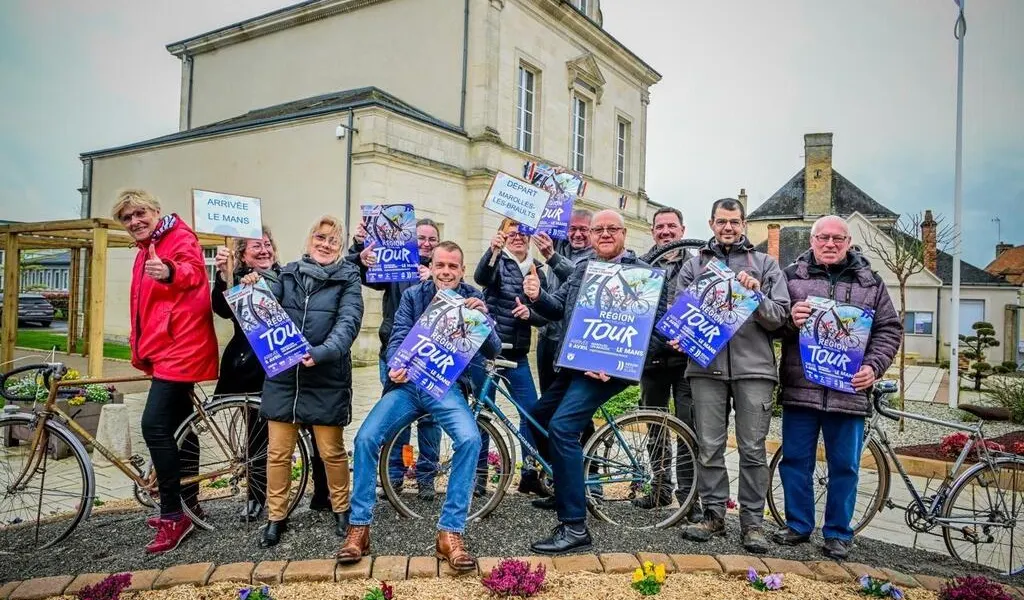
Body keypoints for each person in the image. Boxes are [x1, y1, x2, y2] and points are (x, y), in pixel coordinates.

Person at [336, 241, 501, 571]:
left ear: (461, 270)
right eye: (441, 265)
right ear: (433, 265)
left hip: (446, 389)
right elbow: (397, 335)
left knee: (469, 440)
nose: (446, 272)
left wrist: (483, 317)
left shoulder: (474, 296)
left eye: (453, 267)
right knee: (365, 438)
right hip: (409, 386)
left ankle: (450, 533)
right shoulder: (414, 295)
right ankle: (359, 528)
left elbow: (493, 349)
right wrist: (397, 363)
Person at [521, 209, 667, 554]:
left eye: (610, 229)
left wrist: (616, 364)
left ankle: (574, 526)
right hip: (576, 364)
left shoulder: (644, 274)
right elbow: (557, 308)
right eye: (598, 229)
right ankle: (567, 485)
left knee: (562, 428)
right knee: (536, 419)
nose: (603, 234)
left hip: (608, 370)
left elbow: (659, 331)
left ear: (623, 233)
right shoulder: (585, 268)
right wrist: (537, 294)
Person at [772, 215, 901, 559]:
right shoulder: (790, 278)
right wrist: (789, 320)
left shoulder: (871, 283)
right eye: (823, 238)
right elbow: (770, 324)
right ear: (812, 241)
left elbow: (889, 329)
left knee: (845, 466)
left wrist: (874, 367)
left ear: (848, 242)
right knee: (796, 460)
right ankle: (798, 525)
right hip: (802, 388)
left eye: (837, 238)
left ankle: (838, 533)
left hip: (849, 393)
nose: (830, 244)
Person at [673, 198, 790, 554]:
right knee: (709, 446)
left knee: (753, 449)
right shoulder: (694, 267)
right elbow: (678, 312)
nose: (728, 227)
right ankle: (713, 515)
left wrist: (755, 294)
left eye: (734, 222)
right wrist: (679, 335)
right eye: (721, 221)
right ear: (711, 224)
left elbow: (780, 318)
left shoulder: (767, 265)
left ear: (744, 224)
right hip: (705, 369)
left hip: (754, 370)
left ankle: (752, 523)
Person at [243, 215, 364, 548]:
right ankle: (276, 516)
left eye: (333, 240)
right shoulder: (289, 273)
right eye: (320, 238)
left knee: (332, 453)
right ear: (310, 240)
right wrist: (254, 287)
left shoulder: (348, 279)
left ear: (340, 248)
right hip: (284, 379)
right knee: (278, 455)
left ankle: (342, 509)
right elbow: (268, 305)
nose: (325, 244)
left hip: (325, 377)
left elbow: (348, 323)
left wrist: (323, 352)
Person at [114, 189, 219, 554]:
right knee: (181, 429)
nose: (134, 222)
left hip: (182, 348)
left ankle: (173, 514)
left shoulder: (178, 237)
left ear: (156, 211)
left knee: (153, 425)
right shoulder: (145, 248)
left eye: (140, 213)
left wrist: (170, 270)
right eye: (127, 218)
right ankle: (190, 501)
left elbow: (191, 272)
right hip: (166, 348)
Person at [210, 229, 330, 521]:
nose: (264, 250)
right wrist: (225, 277)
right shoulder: (239, 279)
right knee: (257, 436)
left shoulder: (288, 275)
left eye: (267, 245)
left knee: (315, 428)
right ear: (242, 254)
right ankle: (256, 497)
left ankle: (323, 493)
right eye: (256, 247)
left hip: (292, 365)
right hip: (253, 369)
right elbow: (222, 309)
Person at [350, 217, 441, 500]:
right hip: (394, 354)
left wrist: (434, 284)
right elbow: (365, 275)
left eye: (432, 240)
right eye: (421, 238)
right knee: (396, 419)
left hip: (433, 359)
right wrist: (359, 245)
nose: (426, 243)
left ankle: (426, 480)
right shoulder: (397, 266)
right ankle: (394, 477)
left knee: (430, 422)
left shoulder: (442, 272)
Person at [633, 207, 702, 521]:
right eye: (659, 227)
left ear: (682, 229)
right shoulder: (640, 266)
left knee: (688, 427)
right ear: (653, 231)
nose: (665, 232)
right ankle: (660, 489)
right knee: (655, 428)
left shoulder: (699, 265)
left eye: (671, 226)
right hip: (653, 359)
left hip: (688, 362)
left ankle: (689, 499)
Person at [473, 218, 548, 496]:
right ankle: (478, 477)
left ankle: (529, 473)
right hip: (489, 353)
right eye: (511, 233)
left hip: (517, 355)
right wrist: (492, 251)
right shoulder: (498, 262)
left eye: (523, 233)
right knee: (480, 413)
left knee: (530, 412)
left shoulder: (536, 268)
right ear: (503, 236)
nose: (518, 237)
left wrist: (530, 314)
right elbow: (482, 277)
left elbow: (546, 312)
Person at [531, 209, 595, 390]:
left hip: (572, 339)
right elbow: (541, 221)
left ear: (593, 231)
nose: (577, 234)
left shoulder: (597, 255)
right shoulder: (560, 245)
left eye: (584, 229)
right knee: (546, 393)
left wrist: (552, 257)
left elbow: (582, 280)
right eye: (572, 229)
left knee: (568, 399)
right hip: (547, 335)